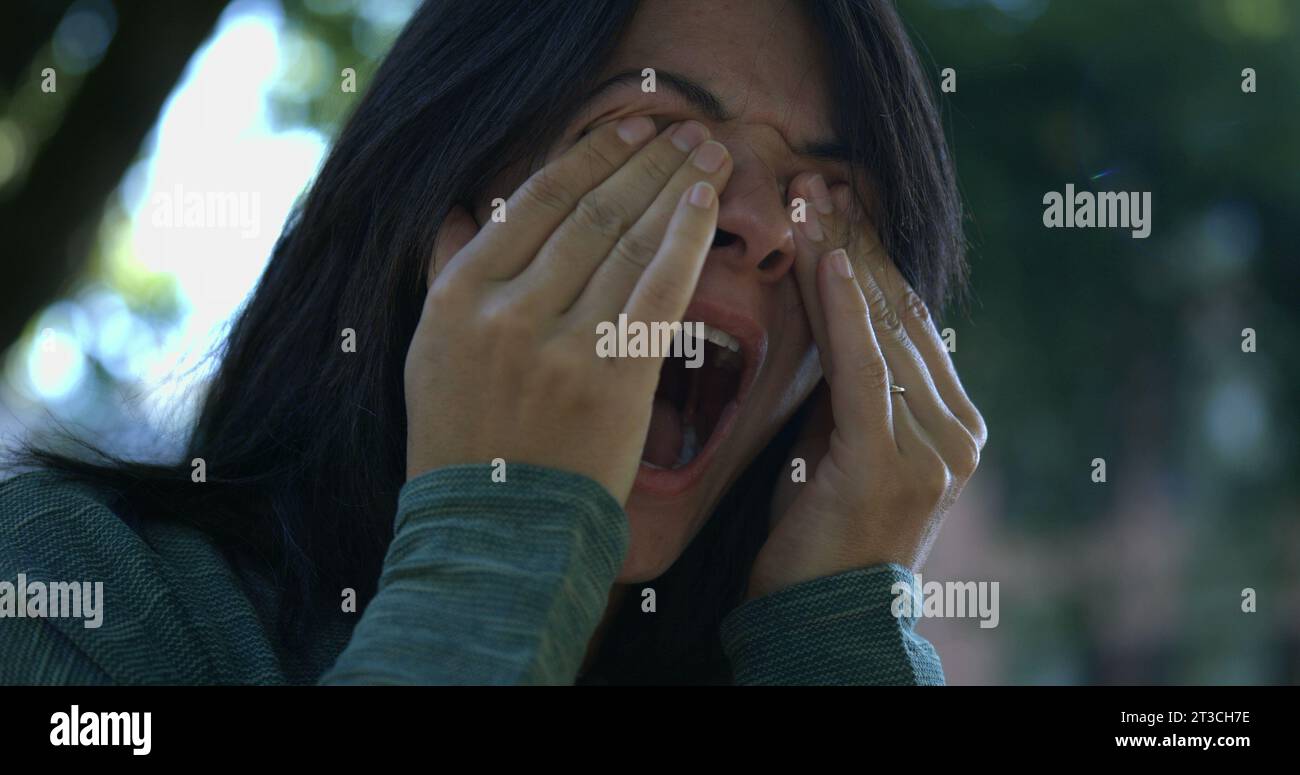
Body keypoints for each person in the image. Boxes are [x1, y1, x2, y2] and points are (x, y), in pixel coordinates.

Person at [0, 0, 983, 685]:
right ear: (441, 192)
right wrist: (501, 527)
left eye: (832, 206)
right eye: (659, 136)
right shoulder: (67, 587)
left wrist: (841, 635)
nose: (767, 227)